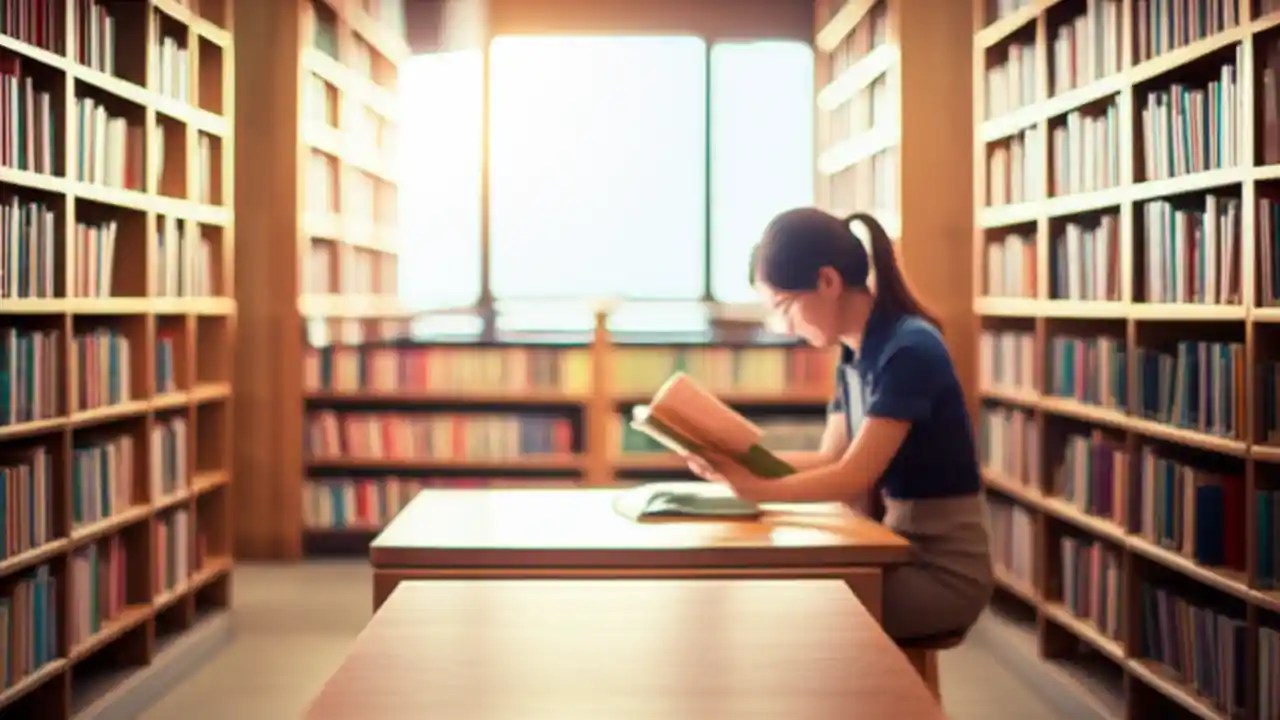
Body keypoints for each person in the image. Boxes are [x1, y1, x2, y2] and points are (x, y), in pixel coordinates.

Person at [686, 207, 994, 642]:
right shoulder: (854, 352)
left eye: (785, 307)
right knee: (776, 602)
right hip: (894, 547)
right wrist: (737, 460)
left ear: (827, 282)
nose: (785, 327)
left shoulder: (909, 349)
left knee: (787, 618)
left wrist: (758, 491)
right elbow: (830, 457)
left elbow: (853, 476)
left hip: (942, 570)